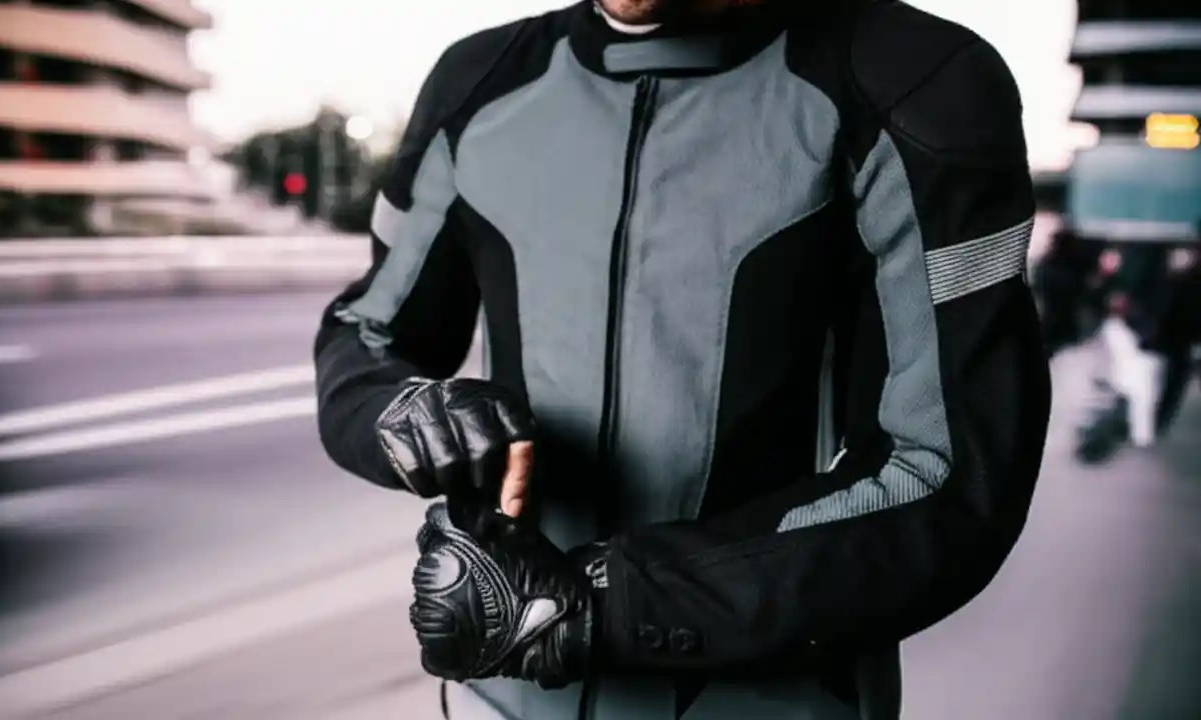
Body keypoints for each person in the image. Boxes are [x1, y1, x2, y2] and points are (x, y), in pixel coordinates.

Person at [314, 0, 1052, 718]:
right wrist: (398, 415)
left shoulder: (915, 78)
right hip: (497, 698)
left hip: (769, 700)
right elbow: (369, 330)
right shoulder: (479, 79)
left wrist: (603, 604)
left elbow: (948, 475)